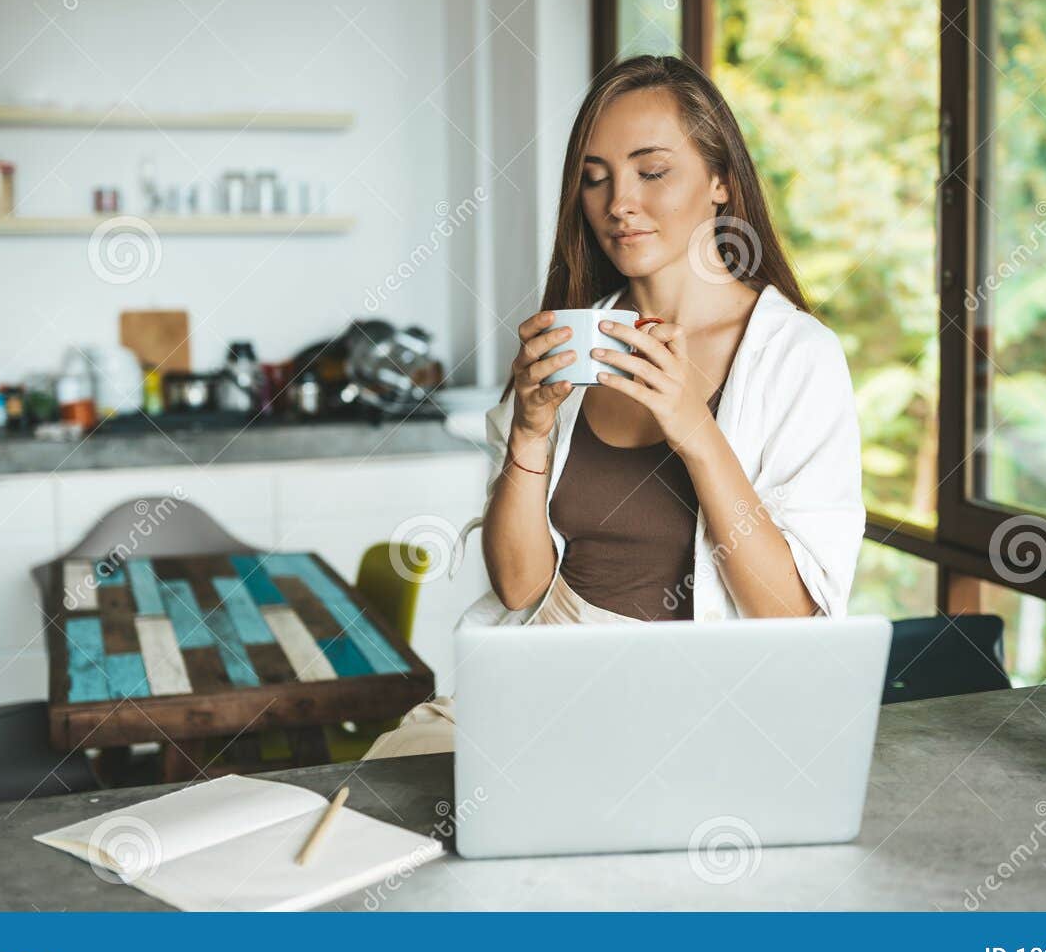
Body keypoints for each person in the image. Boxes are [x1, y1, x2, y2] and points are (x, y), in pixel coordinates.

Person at [364, 54, 865, 760]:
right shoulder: (572, 341)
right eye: (595, 179)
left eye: (651, 172)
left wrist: (696, 429)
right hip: (544, 674)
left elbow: (791, 616)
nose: (617, 202)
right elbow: (518, 584)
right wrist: (530, 437)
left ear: (721, 180)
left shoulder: (796, 357)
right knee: (390, 779)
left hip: (699, 704)